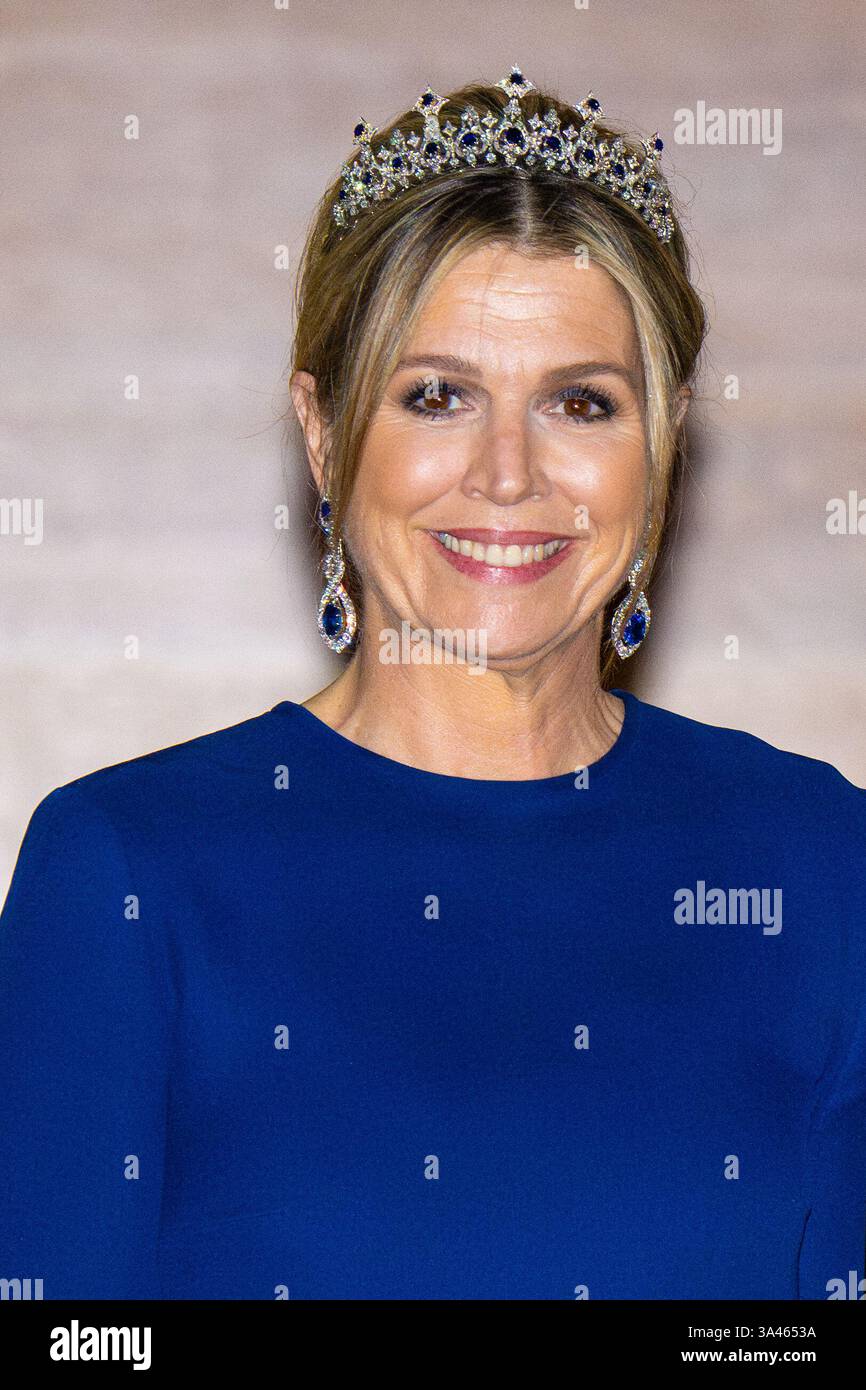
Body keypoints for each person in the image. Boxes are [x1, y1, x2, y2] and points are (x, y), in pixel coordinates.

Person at [1, 68, 864, 1301]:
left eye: (579, 402)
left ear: (662, 438)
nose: (507, 474)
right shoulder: (124, 872)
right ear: (320, 430)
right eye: (437, 395)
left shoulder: (821, 860)